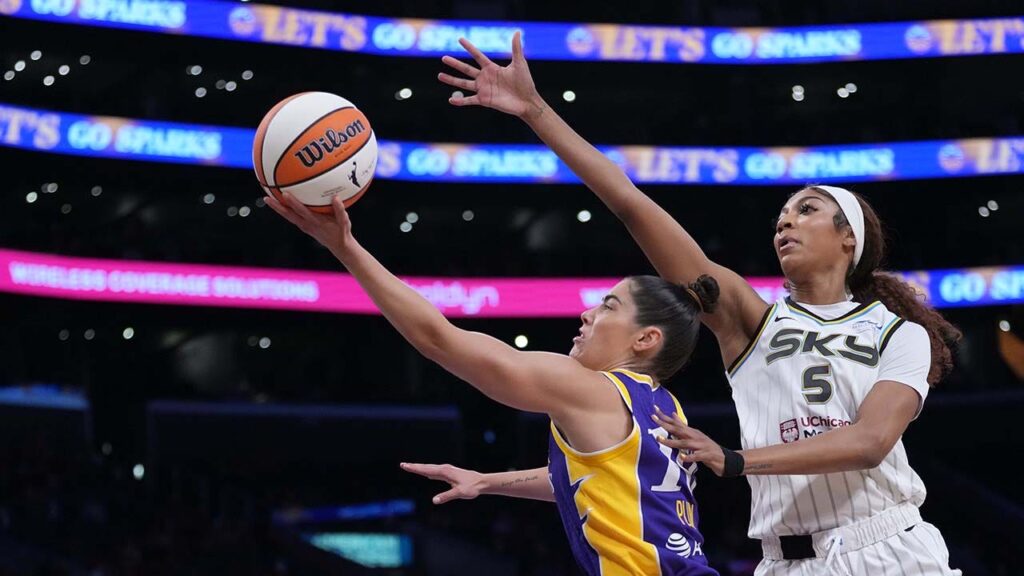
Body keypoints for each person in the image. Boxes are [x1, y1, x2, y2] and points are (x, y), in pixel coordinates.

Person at [435, 32, 962, 575]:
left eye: (806, 210)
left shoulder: (898, 333)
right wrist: (537, 112)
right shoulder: (749, 320)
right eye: (782, 213)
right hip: (784, 561)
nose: (785, 220)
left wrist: (735, 460)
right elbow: (632, 206)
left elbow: (871, 441)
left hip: (888, 546)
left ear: (849, 237)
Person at [264, 191, 720, 575]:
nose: (588, 314)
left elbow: (438, 340)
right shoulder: (666, 409)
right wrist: (488, 481)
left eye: (608, 306)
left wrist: (345, 247)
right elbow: (589, 477)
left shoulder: (589, 388)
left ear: (646, 339)